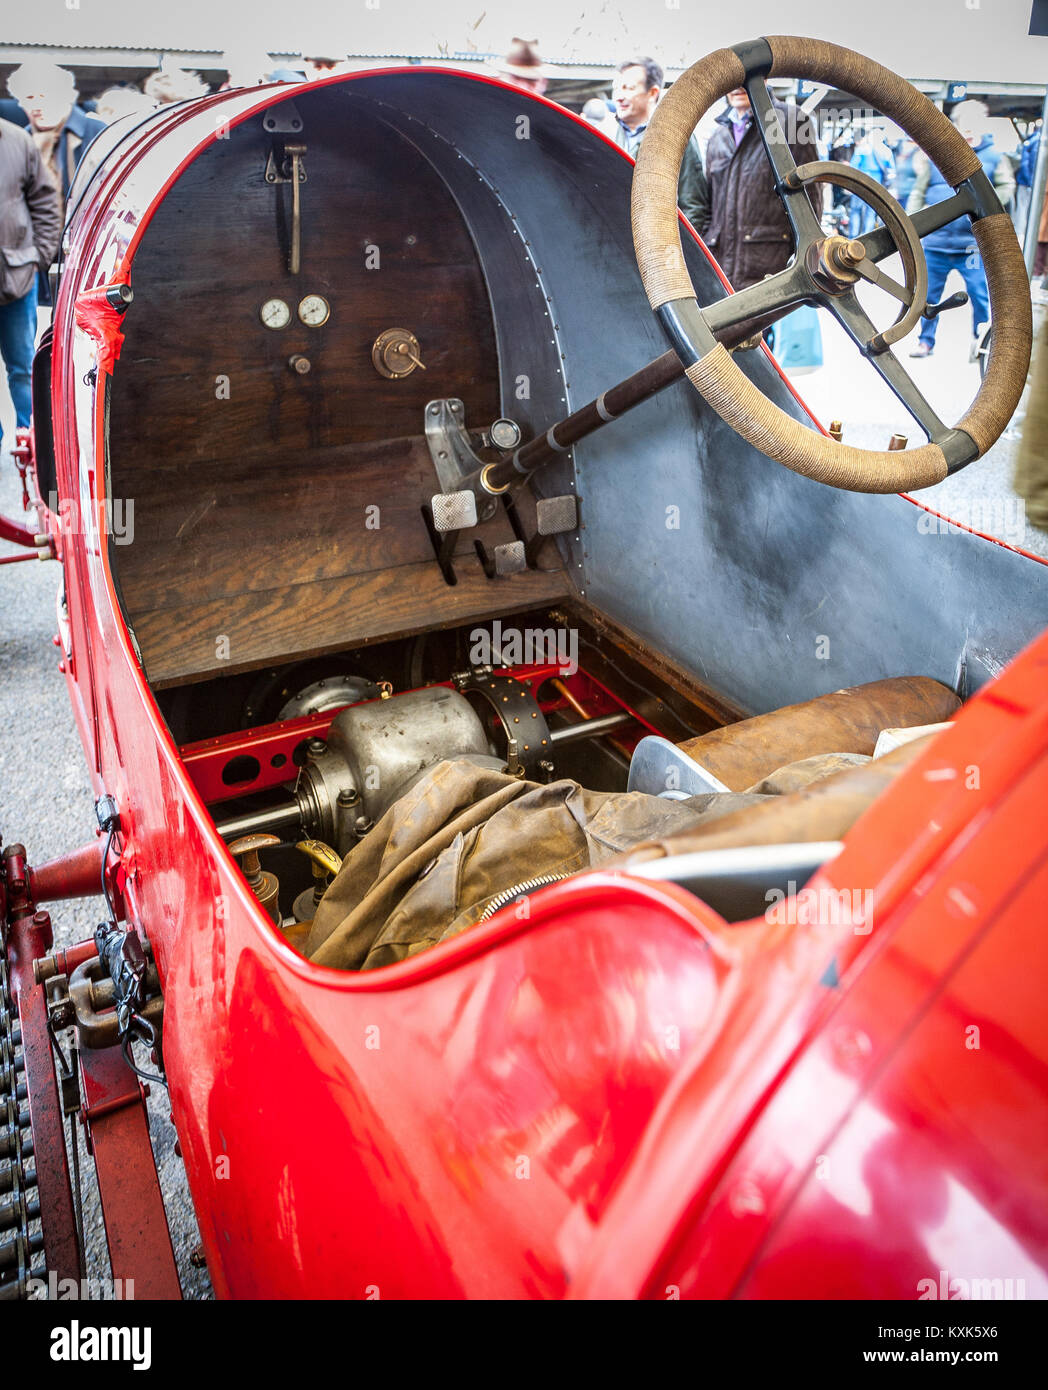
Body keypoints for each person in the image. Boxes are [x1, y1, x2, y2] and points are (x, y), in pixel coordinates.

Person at [907, 99, 1015, 359]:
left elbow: (1006, 187)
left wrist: (981, 212)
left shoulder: (992, 157)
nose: (967, 129)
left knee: (980, 295)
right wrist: (913, 226)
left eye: (972, 123)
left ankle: (983, 342)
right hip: (936, 243)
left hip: (971, 244)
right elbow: (918, 193)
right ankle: (925, 341)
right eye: (962, 123)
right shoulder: (936, 157)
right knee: (928, 297)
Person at [703, 85, 821, 291]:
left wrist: (804, 261)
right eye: (731, 80)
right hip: (721, 266)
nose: (737, 87)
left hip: (770, 265)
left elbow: (810, 198)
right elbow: (709, 204)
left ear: (764, 76)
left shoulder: (792, 122)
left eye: (744, 78)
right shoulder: (718, 136)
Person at [0, 115, 61, 453]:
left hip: (15, 279)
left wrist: (39, 257)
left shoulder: (15, 140)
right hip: (17, 271)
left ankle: (33, 446)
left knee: (24, 366)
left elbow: (45, 201)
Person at [610, 58, 708, 234]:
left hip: (656, 246)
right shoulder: (607, 132)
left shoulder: (675, 135)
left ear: (653, 92)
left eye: (629, 88)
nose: (619, 96)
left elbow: (693, 205)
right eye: (616, 88)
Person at [6, 61, 106, 206]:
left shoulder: (97, 132)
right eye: (29, 98)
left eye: (43, 96)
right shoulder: (20, 141)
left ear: (64, 97)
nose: (36, 105)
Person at [847, 131, 895, 235]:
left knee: (855, 211)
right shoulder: (887, 151)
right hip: (876, 186)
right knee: (871, 213)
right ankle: (866, 237)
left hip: (860, 184)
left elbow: (852, 168)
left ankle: (852, 237)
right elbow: (892, 171)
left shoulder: (862, 149)